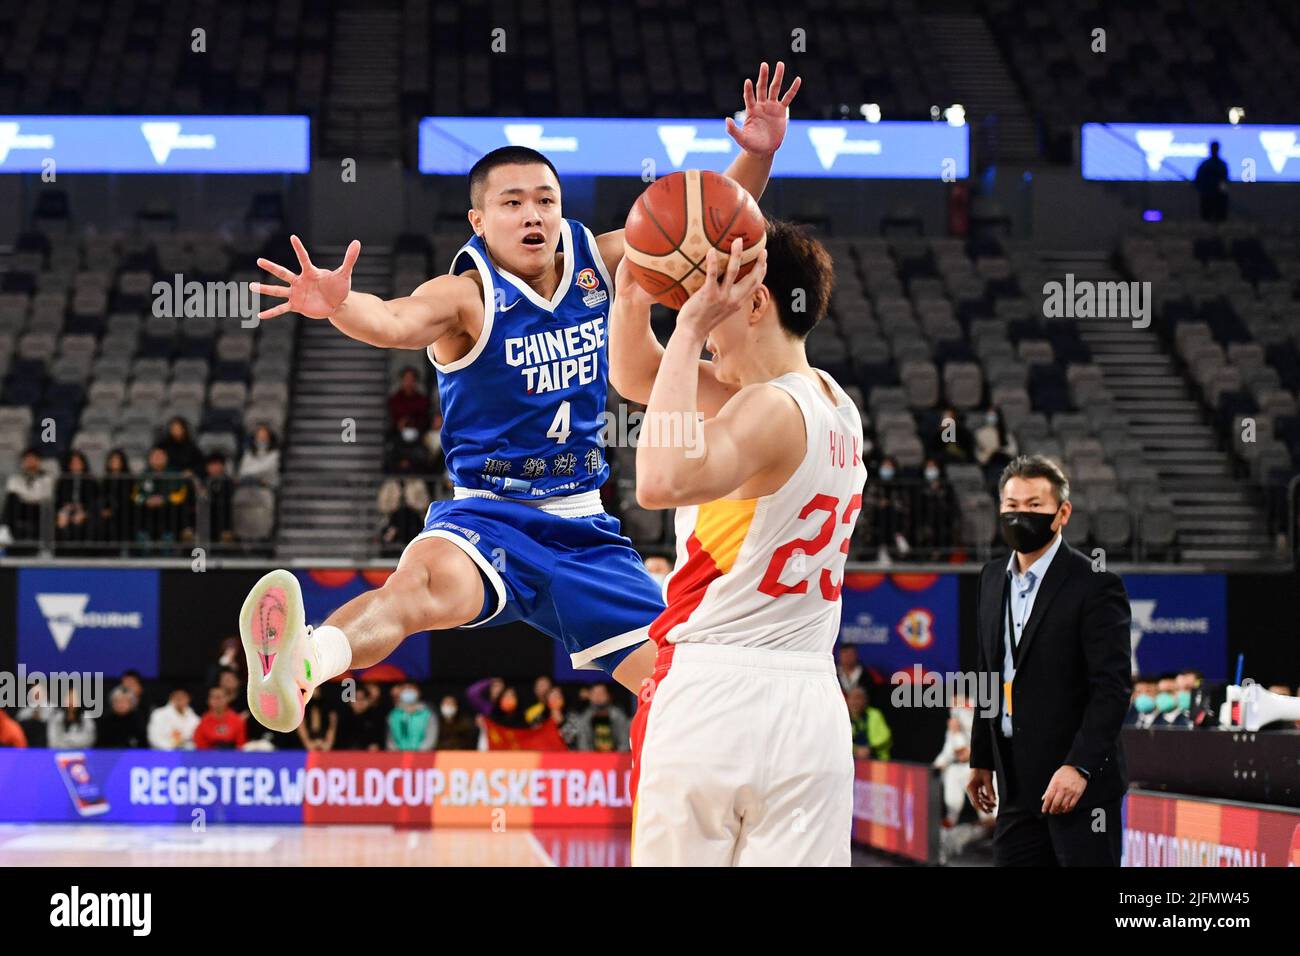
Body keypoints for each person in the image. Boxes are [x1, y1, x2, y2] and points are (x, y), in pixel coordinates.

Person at [237, 61, 802, 736]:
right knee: (412, 593)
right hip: (489, 520)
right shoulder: (465, 297)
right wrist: (341, 306)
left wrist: (755, 156)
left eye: (544, 199)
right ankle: (306, 662)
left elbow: (704, 231)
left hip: (585, 529)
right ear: (480, 219)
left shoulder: (601, 262)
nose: (531, 214)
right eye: (512, 203)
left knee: (684, 685)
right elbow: (391, 321)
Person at [616, 218, 864, 866]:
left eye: (709, 295)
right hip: (811, 699)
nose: (697, 315)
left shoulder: (764, 411)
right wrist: (634, 293)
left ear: (754, 300)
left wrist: (690, 327)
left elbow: (660, 480)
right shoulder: (837, 405)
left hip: (713, 691)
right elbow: (639, 374)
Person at [968, 455, 1131, 867]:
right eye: (1012, 506)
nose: (1021, 515)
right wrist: (981, 758)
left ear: (1062, 513)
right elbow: (990, 673)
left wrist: (1080, 766)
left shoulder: (1095, 584)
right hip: (1016, 788)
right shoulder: (990, 579)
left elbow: (1111, 689)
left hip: (1079, 789)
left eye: (1035, 506)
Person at [132, 445, 192, 548]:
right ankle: (143, 543)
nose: (157, 458)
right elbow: (135, 495)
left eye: (160, 456)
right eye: (155, 456)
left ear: (166, 458)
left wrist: (165, 500)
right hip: (148, 512)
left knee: (175, 512)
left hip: (169, 512)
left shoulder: (174, 474)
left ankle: (169, 542)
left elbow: (181, 494)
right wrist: (146, 500)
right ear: (150, 459)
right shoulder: (144, 475)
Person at [1, 447, 54, 550]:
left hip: (38, 509)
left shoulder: (47, 478)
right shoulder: (15, 478)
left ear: (39, 461)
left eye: (33, 459)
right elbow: (13, 493)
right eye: (27, 459)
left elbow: (46, 495)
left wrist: (26, 496)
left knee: (46, 505)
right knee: (12, 499)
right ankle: (4, 531)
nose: (30, 462)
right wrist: (28, 496)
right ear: (23, 462)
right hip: (21, 509)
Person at [54, 449, 100, 553]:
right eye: (73, 462)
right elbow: (58, 499)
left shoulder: (90, 480)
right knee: (62, 520)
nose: (75, 465)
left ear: (83, 464)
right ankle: (64, 551)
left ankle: (79, 551)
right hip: (66, 509)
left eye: (78, 462)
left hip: (84, 509)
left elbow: (94, 500)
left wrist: (84, 510)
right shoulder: (63, 480)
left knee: (78, 518)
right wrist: (64, 508)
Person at [575, 683, 629, 752]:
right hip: (592, 759)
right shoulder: (585, 717)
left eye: (602, 693)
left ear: (608, 696)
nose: (598, 697)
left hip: (616, 757)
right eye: (595, 693)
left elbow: (624, 742)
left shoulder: (618, 716)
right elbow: (583, 744)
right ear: (590, 696)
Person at [98, 448, 134, 547]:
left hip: (124, 511)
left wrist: (112, 510)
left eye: (117, 460)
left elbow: (126, 498)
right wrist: (104, 509)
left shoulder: (128, 478)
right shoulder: (105, 480)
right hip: (108, 511)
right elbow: (102, 496)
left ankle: (123, 549)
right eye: (112, 460)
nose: (114, 462)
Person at [335, 682, 386, 750]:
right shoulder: (344, 719)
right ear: (349, 702)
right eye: (356, 699)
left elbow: (378, 742)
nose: (360, 703)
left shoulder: (375, 718)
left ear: (368, 700)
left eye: (363, 699)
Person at [846, 686, 891, 760]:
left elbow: (885, 737)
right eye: (852, 698)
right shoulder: (842, 716)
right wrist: (855, 750)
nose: (855, 702)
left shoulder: (874, 714)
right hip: (849, 759)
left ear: (865, 700)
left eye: (858, 698)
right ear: (847, 700)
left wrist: (869, 749)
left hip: (875, 758)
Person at [387, 683, 435, 751]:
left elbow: (430, 738)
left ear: (418, 692)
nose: (408, 691)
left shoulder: (427, 714)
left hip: (422, 756)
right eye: (405, 689)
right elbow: (390, 739)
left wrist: (419, 753)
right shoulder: (394, 714)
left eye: (411, 688)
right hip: (397, 756)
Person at [1193, 140, 1229, 223]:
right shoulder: (1205, 164)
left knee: (1219, 218)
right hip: (1207, 196)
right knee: (1206, 217)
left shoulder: (1222, 165)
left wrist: (1222, 192)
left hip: (1219, 197)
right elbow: (1198, 179)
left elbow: (1224, 181)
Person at [203, 453, 235, 544]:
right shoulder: (204, 481)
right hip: (208, 518)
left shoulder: (228, 482)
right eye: (212, 465)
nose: (214, 468)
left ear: (223, 466)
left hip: (224, 518)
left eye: (217, 464)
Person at [238, 424, 281, 489]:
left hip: (268, 485)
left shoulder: (275, 453)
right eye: (259, 434)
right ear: (255, 436)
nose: (262, 437)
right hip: (249, 483)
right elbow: (243, 471)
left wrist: (251, 471)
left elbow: (267, 468)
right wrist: (257, 472)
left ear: (269, 436)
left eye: (264, 434)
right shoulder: (249, 453)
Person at [298, 686, 337, 751]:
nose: (315, 691)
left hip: (325, 739)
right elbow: (301, 724)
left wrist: (329, 741)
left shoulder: (328, 704)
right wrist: (306, 741)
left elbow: (333, 723)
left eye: (317, 688)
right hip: (307, 741)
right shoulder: (304, 704)